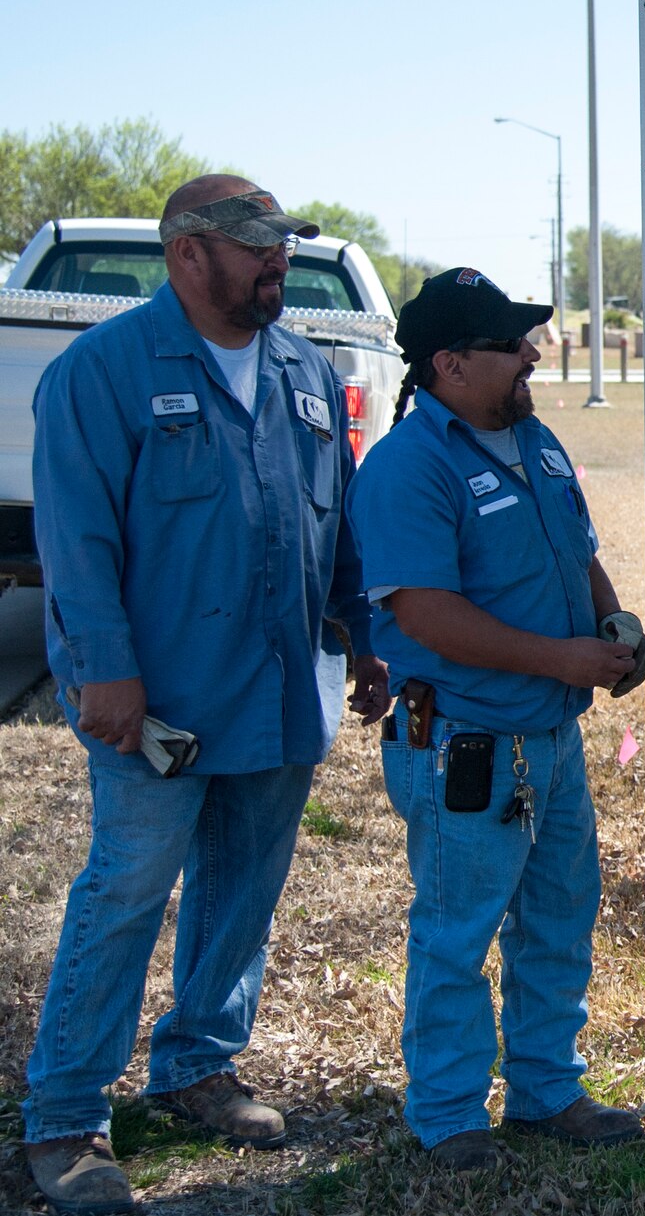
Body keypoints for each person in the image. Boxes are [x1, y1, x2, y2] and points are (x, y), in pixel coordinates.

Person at [23, 175, 389, 1216]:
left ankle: (197, 1064)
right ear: (188, 252)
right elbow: (77, 537)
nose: (277, 261)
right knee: (128, 889)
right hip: (158, 698)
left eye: (281, 244)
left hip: (279, 687)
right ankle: (63, 1113)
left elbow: (339, 521)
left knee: (243, 890)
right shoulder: (103, 371)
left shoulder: (306, 370)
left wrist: (365, 636)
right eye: (256, 244)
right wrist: (104, 668)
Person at [347, 267, 645, 1170]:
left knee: (559, 917)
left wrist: (610, 626)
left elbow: (581, 551)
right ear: (449, 364)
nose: (530, 354)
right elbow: (424, 615)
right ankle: (447, 1111)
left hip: (552, 740)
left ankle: (546, 1088)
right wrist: (565, 660)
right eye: (508, 343)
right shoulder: (409, 465)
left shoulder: (541, 441)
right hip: (464, 746)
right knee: (458, 930)